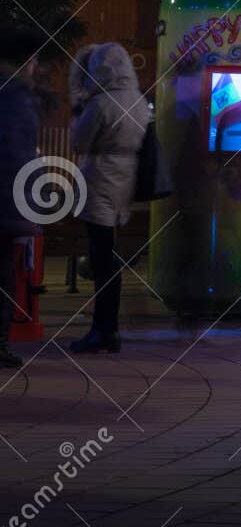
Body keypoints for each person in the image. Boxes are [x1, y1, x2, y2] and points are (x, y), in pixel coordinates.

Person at [68, 43, 151, 354]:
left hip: (100, 178)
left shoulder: (101, 103)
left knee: (102, 258)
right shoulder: (138, 100)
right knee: (109, 256)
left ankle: (102, 329)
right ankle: (109, 328)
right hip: (125, 180)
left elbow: (79, 143)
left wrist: (78, 110)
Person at [0, 29, 44, 369]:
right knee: (4, 276)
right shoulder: (14, 97)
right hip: (5, 205)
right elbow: (16, 157)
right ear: (26, 62)